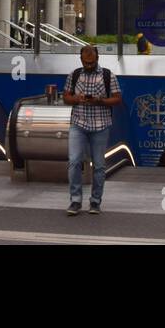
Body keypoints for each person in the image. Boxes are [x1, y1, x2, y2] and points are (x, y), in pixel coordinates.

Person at [63, 44, 122, 215]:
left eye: (92, 62)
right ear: (81, 59)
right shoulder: (74, 75)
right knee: (74, 162)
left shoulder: (107, 75)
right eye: (86, 62)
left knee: (99, 165)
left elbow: (117, 99)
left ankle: (95, 202)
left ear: (97, 59)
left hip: (100, 124)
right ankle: (75, 200)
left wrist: (100, 101)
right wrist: (76, 99)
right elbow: (66, 97)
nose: (89, 65)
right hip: (78, 124)